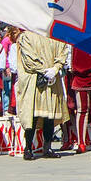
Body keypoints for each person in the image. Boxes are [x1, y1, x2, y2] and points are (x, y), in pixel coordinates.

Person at [16, 29, 70, 160]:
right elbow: (28, 59)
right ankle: (28, 148)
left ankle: (48, 147)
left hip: (52, 79)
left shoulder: (55, 35)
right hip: (35, 80)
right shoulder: (27, 36)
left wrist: (55, 69)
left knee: (49, 116)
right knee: (32, 115)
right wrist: (44, 70)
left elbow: (62, 53)